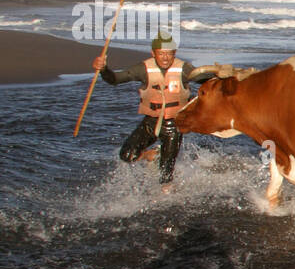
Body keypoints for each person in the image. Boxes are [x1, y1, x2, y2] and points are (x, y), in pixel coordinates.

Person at [91, 30, 218, 189]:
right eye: (161, 54)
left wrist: (225, 77)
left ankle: (165, 198)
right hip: (151, 123)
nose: (165, 58)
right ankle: (150, 155)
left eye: (169, 54)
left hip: (174, 126)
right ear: (153, 53)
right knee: (127, 155)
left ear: (174, 53)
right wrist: (103, 69)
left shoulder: (184, 69)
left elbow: (208, 81)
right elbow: (115, 79)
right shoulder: (143, 69)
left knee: (165, 174)